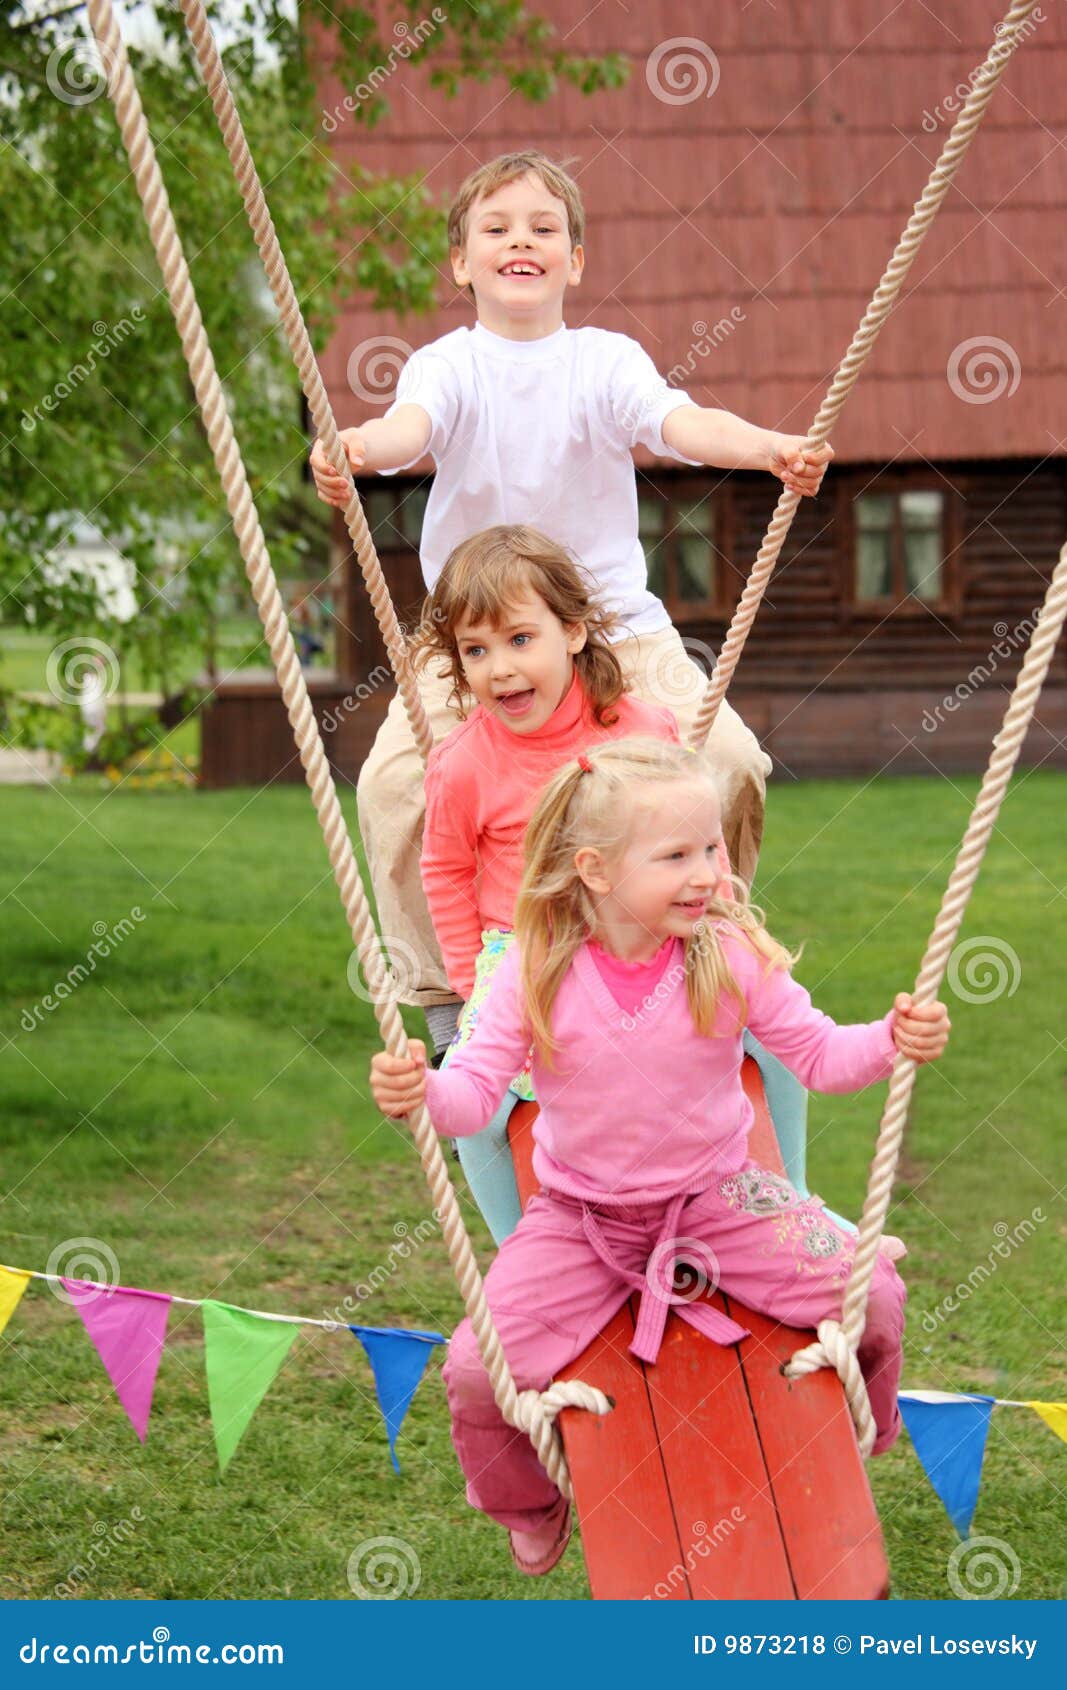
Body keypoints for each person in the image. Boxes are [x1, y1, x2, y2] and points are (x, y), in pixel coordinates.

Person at [370, 739, 949, 1577]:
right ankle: (528, 1502)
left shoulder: (726, 952)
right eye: (676, 855)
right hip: (579, 1221)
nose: (708, 873)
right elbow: (469, 1102)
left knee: (877, 1294)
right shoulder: (535, 970)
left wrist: (893, 1041)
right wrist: (418, 1089)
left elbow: (822, 1057)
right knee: (474, 1369)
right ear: (596, 871)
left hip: (721, 1200)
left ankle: (867, 1423)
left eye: (711, 848)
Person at [312, 149, 833, 1056]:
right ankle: (448, 1003)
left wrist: (765, 446)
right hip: (471, 640)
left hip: (611, 630)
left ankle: (708, 948)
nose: (522, 242)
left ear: (576, 259)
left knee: (731, 763)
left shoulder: (602, 362)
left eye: (543, 228)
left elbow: (680, 422)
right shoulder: (451, 366)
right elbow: (411, 430)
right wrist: (357, 446)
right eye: (497, 229)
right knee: (395, 785)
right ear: (460, 262)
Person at [414, 523, 730, 1241]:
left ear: (574, 632)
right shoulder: (463, 763)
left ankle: (788, 1182)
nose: (499, 668)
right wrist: (470, 988)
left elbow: (692, 825)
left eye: (520, 639)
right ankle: (513, 1245)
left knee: (761, 1024)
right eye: (475, 650)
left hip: (642, 937)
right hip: (527, 953)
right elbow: (444, 869)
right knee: (482, 1103)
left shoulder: (639, 728)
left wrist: (723, 904)